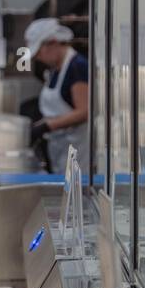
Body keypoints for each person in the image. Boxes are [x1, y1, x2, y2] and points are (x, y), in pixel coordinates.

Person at [27, 18, 90, 173]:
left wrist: (47, 126)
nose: (38, 58)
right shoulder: (56, 70)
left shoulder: (77, 66)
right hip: (61, 147)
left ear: (53, 42)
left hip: (78, 151)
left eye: (39, 52)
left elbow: (85, 111)